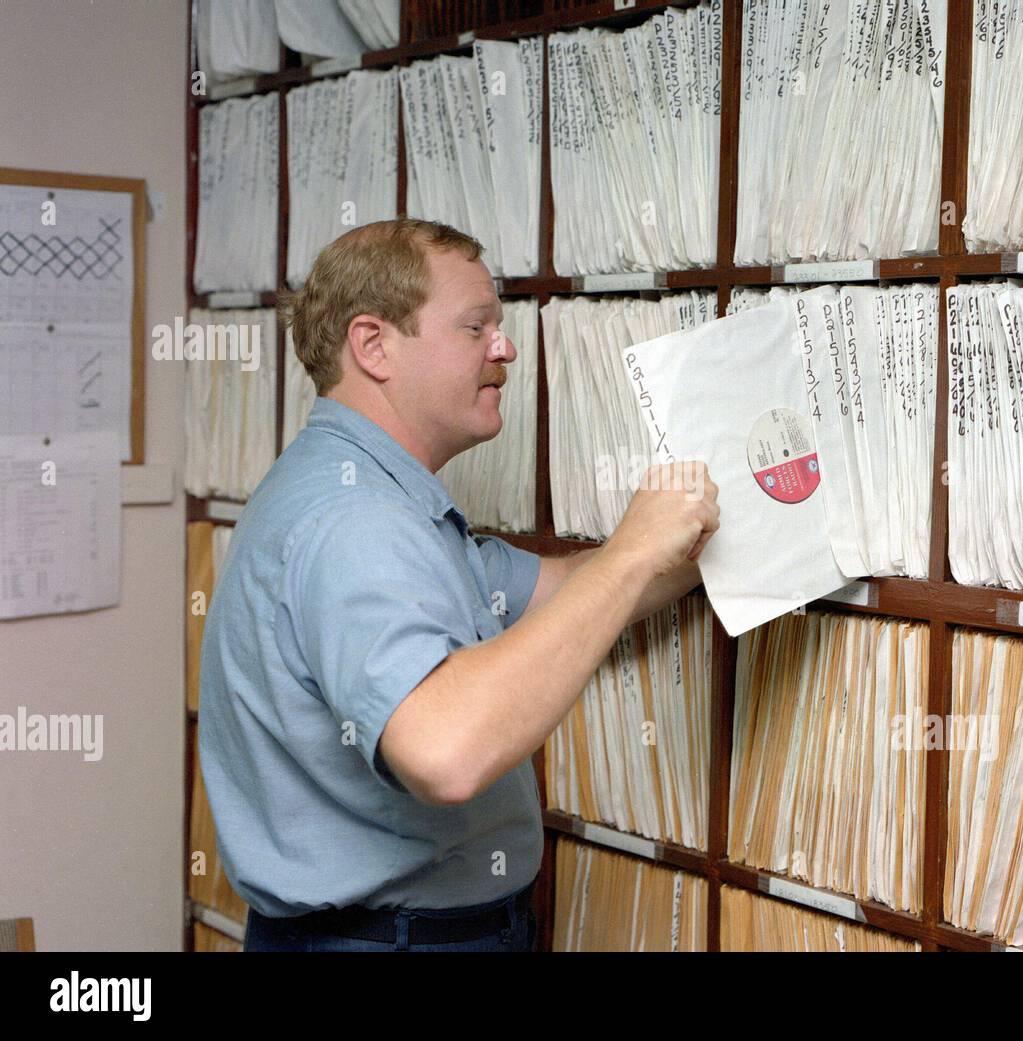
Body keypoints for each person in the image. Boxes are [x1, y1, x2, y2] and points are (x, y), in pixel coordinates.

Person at [198, 218, 719, 952]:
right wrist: (633, 550)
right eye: (476, 326)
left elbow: (569, 592)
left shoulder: (375, 497)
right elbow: (445, 753)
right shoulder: (355, 521)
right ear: (373, 344)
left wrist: (705, 540)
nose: (504, 347)